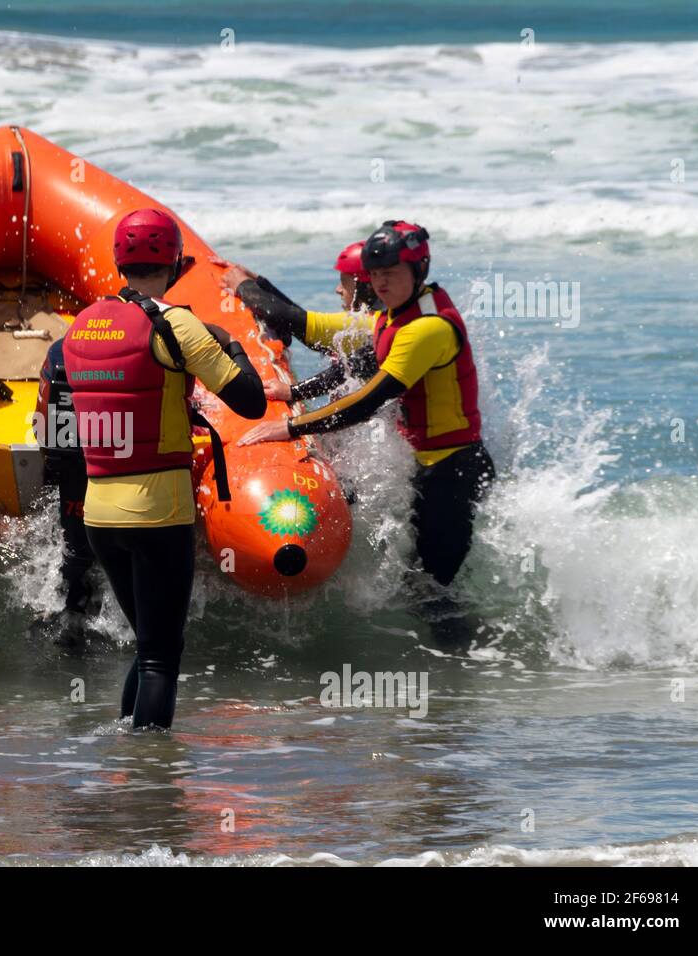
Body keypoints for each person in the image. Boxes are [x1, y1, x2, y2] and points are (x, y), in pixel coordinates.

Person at [63, 209, 266, 729]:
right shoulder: (175, 324)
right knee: (161, 657)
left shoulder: (84, 324)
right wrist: (232, 344)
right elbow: (249, 402)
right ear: (175, 262)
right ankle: (150, 779)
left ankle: (128, 750)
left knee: (147, 645)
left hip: (100, 513)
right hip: (158, 511)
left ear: (119, 261)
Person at [229, 221, 495, 590]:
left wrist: (292, 427)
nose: (381, 283)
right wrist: (295, 393)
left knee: (434, 593)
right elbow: (361, 363)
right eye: (374, 274)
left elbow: (369, 400)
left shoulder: (426, 328)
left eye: (390, 273)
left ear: (419, 270)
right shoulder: (397, 312)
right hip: (431, 466)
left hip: (453, 471)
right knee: (419, 584)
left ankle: (468, 647)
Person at [215, 241, 380, 406]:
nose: (338, 289)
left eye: (344, 282)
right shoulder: (375, 319)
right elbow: (300, 320)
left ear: (364, 287)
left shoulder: (368, 324)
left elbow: (285, 316)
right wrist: (257, 282)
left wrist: (243, 285)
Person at [34, 336, 100, 637]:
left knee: (75, 550)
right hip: (108, 459)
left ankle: (64, 613)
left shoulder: (65, 349)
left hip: (70, 461)